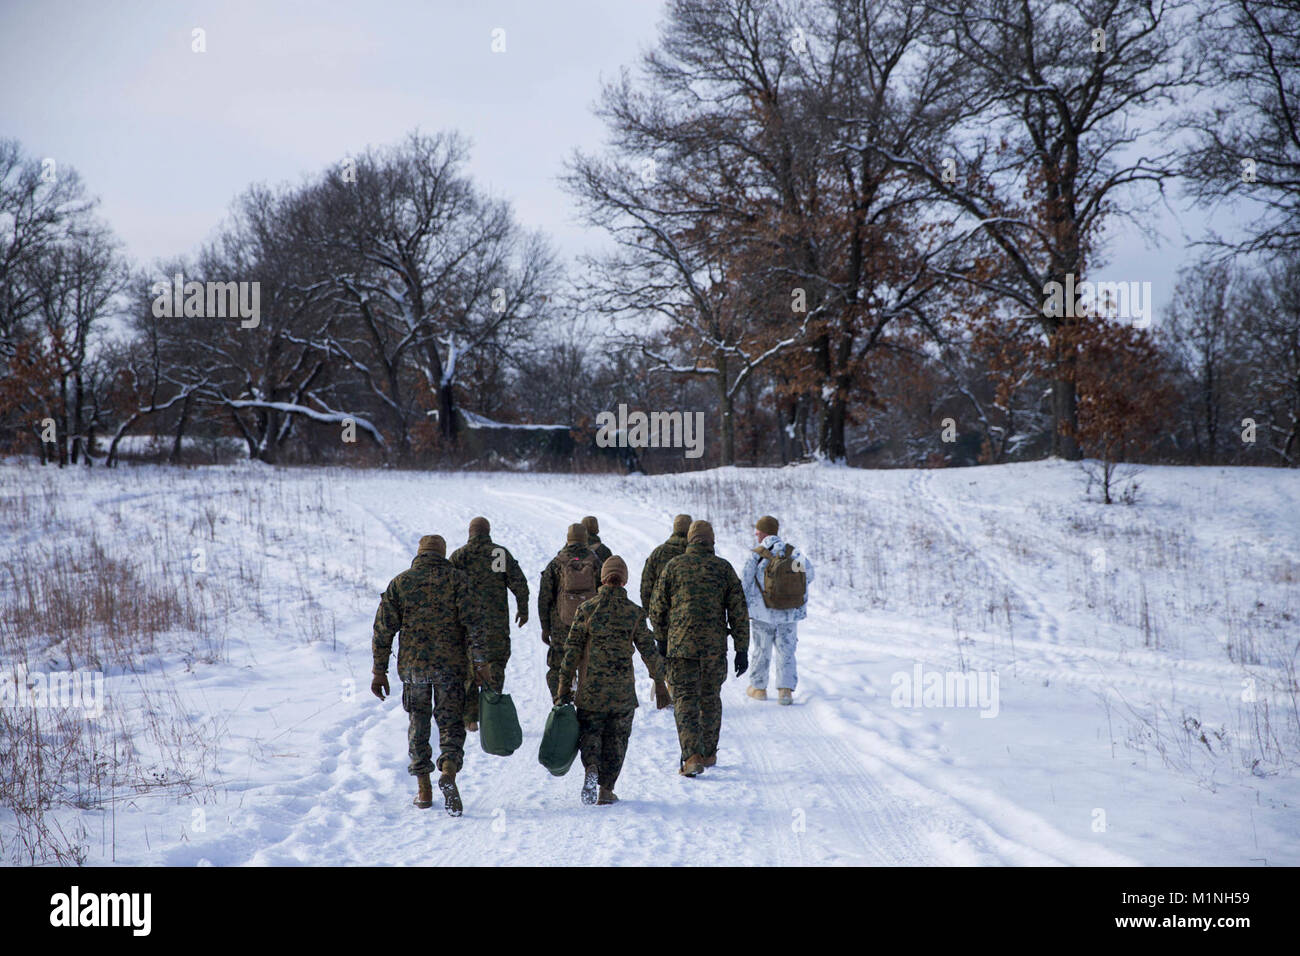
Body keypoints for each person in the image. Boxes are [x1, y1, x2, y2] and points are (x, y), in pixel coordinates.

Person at [371, 534, 484, 816]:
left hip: (414, 669)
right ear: (443, 553)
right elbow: (476, 626)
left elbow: (383, 630)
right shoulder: (458, 580)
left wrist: (379, 670)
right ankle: (448, 771)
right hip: (451, 667)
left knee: (418, 723)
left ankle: (424, 789)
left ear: (419, 552)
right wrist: (481, 664)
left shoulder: (401, 583)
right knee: (451, 724)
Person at [555, 556, 664, 805]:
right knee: (617, 739)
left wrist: (563, 685)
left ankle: (591, 767)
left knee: (591, 734)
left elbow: (572, 650)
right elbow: (648, 650)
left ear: (601, 578)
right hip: (622, 692)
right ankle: (606, 789)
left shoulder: (587, 609)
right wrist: (659, 681)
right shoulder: (634, 612)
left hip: (590, 690)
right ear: (624, 580)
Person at [649, 519, 749, 777]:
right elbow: (738, 611)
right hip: (714, 648)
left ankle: (692, 756)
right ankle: (709, 753)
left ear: (690, 540)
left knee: (684, 699)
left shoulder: (674, 566)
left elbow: (657, 606)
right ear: (712, 541)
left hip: (680, 647)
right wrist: (741, 648)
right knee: (710, 697)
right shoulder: (723, 568)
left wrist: (661, 640)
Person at [449, 516, 529, 731]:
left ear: (470, 533)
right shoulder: (498, 553)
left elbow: (448, 589)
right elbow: (518, 582)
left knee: (468, 666)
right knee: (496, 664)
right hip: (495, 624)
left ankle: (470, 718)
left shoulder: (459, 556)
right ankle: (490, 714)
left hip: (465, 624)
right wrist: (523, 608)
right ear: (488, 532)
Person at [740, 515, 814, 705]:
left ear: (763, 533)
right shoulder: (793, 552)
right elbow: (809, 574)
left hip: (762, 614)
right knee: (786, 651)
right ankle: (785, 692)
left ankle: (758, 689)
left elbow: (744, 580)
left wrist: (745, 605)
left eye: (757, 532)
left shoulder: (757, 554)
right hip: (789, 613)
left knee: (761, 650)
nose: (756, 536)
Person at [538, 523, 603, 698]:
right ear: (585, 539)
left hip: (561, 625)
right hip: (588, 626)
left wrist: (545, 627)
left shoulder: (556, 563)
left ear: (568, 539)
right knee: (588, 666)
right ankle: (586, 705)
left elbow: (544, 598)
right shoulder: (595, 562)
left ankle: (561, 705)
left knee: (557, 668)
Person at [640, 513, 692, 707]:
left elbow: (646, 585)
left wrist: (650, 613)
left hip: (662, 614)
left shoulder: (658, 553)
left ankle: (667, 687)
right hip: (688, 615)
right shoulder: (697, 554)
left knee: (664, 652)